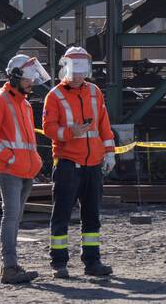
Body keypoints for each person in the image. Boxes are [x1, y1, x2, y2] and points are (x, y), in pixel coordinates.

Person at [42, 46, 117, 278]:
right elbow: (48, 128)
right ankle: (59, 263)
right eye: (74, 70)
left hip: (93, 163)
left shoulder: (95, 92)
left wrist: (110, 152)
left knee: (92, 216)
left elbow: (104, 124)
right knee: (62, 214)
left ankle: (92, 262)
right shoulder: (54, 96)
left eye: (82, 69)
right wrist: (70, 132)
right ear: (65, 68)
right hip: (67, 163)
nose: (78, 75)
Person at [0, 54, 50, 284]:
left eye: (33, 77)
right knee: (11, 216)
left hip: (26, 170)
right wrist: (9, 158)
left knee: (15, 217)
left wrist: (36, 163)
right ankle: (9, 267)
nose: (31, 82)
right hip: (10, 170)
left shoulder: (25, 104)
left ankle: (11, 266)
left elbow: (27, 140)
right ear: (15, 76)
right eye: (28, 78)